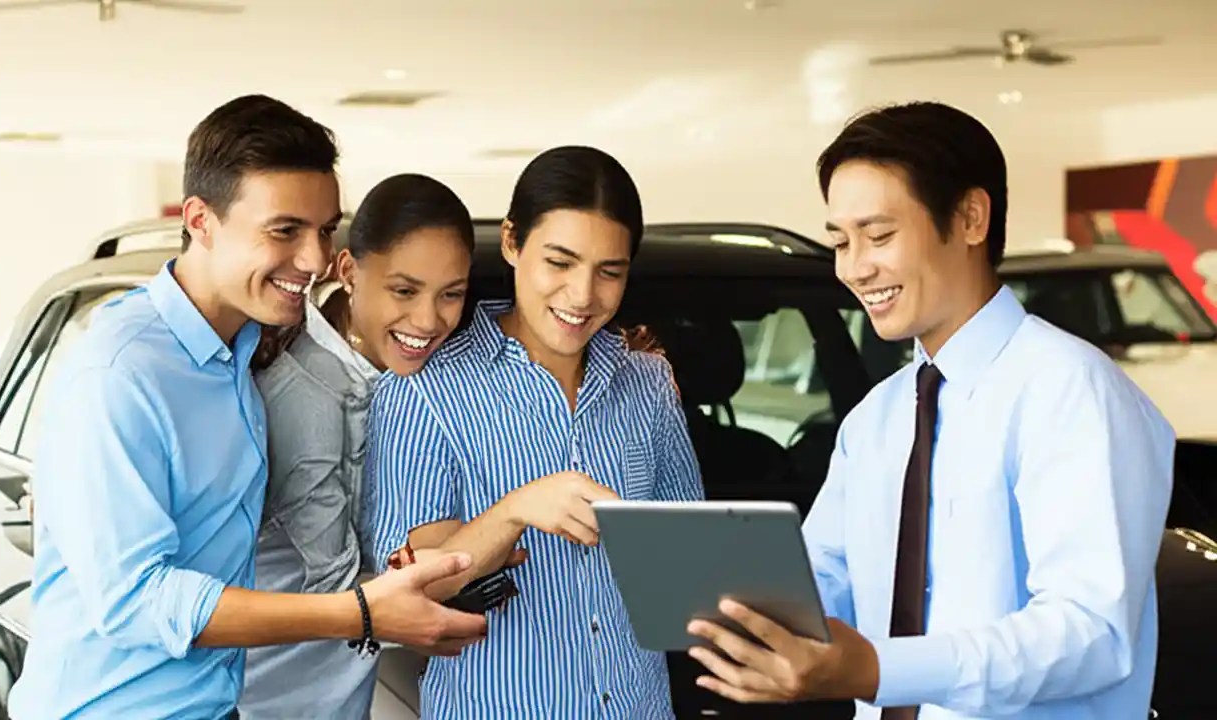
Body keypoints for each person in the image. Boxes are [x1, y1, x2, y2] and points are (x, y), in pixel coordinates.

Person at [685, 101, 1175, 719]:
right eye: (840, 241)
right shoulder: (876, 419)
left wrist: (878, 669)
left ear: (970, 218)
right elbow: (824, 578)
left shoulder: (1071, 390)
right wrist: (733, 606)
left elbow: (1091, 632)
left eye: (878, 236)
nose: (855, 267)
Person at [7, 95, 486, 720]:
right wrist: (360, 613)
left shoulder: (249, 352)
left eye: (323, 231)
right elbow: (133, 600)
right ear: (200, 220)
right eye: (284, 231)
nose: (315, 261)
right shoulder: (121, 371)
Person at [367, 145, 705, 719]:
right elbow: (413, 586)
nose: (583, 295)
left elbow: (689, 561)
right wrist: (514, 512)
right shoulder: (423, 390)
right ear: (511, 242)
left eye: (609, 272)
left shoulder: (648, 383)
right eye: (560, 262)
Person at [238, 173, 485, 719]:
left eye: (451, 294)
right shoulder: (306, 398)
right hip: (277, 697)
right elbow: (342, 593)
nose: (428, 320)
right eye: (404, 291)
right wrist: (499, 530)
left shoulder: (419, 374)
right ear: (348, 271)